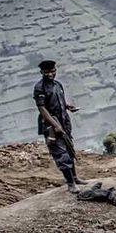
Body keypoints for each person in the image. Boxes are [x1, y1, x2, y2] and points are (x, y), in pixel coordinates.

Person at [34, 60, 82, 193]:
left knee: (69, 148)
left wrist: (68, 106)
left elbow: (58, 101)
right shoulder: (40, 88)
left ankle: (75, 178)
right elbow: (42, 109)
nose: (50, 74)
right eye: (47, 72)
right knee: (61, 153)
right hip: (51, 125)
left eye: (52, 71)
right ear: (42, 72)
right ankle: (70, 183)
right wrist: (55, 125)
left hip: (64, 121)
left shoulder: (57, 84)